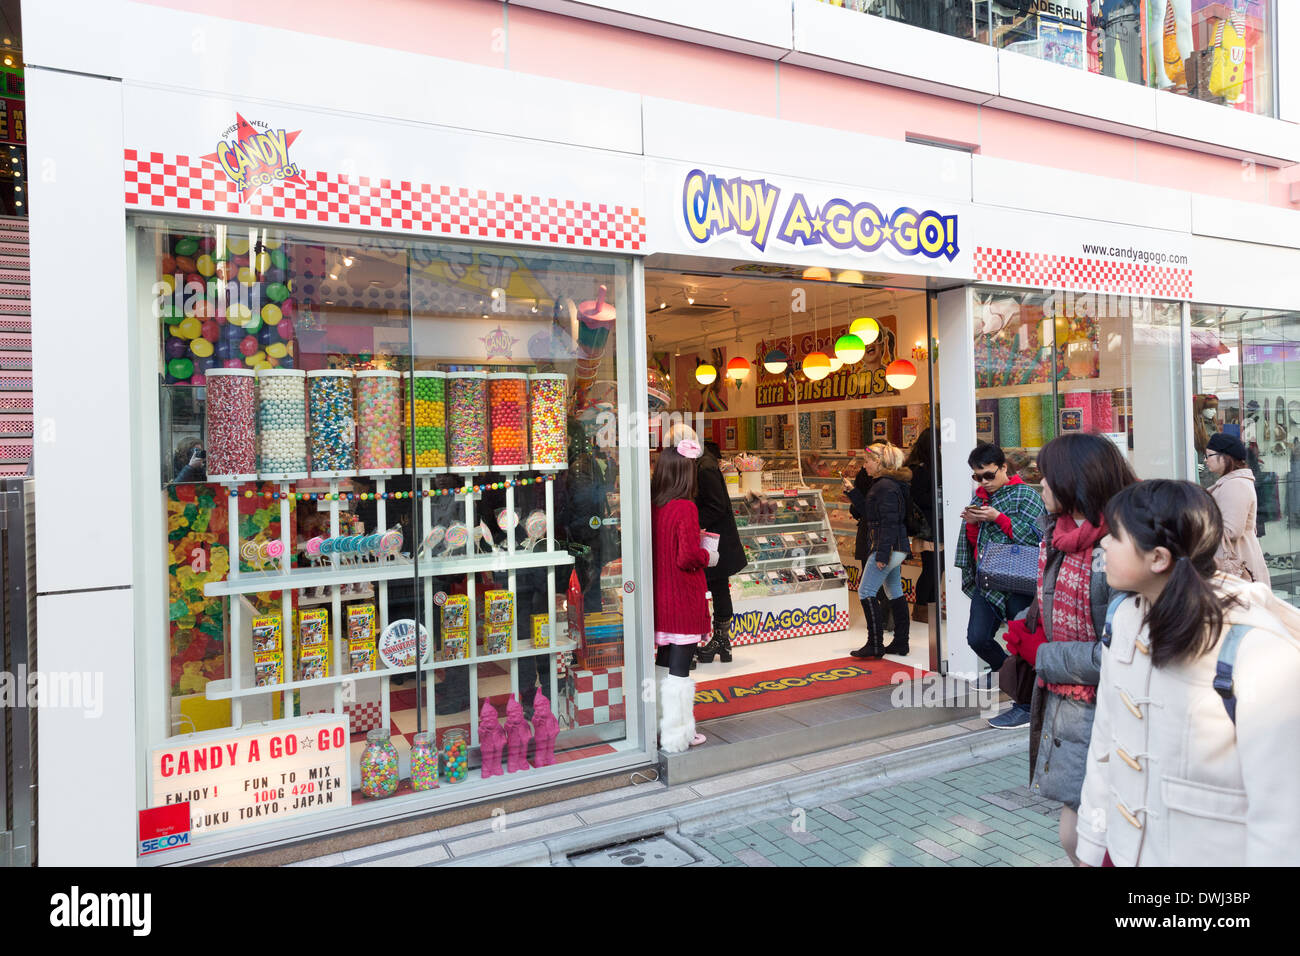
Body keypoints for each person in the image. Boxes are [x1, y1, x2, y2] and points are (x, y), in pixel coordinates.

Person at [1076, 480, 1300, 866]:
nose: (1103, 545)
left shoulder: (1256, 648)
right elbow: (1106, 745)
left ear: (1159, 558)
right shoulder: (1125, 620)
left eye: (1115, 535)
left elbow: (1282, 809)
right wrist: (1092, 845)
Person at [997, 434, 1137, 861]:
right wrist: (1026, 625)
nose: (1040, 486)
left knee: (1088, 838)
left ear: (1076, 482)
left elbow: (1121, 652)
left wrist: (1042, 655)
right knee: (1076, 835)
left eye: (1048, 477)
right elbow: (1049, 603)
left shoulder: (1119, 549)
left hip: (1110, 710)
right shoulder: (1056, 537)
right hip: (1065, 708)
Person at [952, 442, 1045, 681]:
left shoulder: (1026, 495)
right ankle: (1010, 674)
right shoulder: (979, 499)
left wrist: (998, 518)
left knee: (1023, 640)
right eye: (977, 476)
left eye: (988, 475)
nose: (983, 482)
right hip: (988, 578)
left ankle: (1024, 691)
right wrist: (973, 524)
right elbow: (974, 544)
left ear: (1004, 468)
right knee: (977, 638)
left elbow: (1038, 538)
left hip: (1019, 580)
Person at [652, 435, 717, 752]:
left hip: (660, 598)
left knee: (662, 663)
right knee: (680, 670)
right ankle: (677, 735)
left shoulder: (654, 506)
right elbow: (687, 557)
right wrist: (708, 555)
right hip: (683, 599)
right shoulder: (686, 508)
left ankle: (656, 727)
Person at [843, 442, 911, 660]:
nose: (864, 466)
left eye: (867, 461)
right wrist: (853, 493)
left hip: (887, 546)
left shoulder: (884, 487)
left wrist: (882, 555)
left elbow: (889, 523)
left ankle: (875, 643)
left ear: (879, 462)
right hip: (894, 546)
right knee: (894, 592)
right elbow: (870, 515)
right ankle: (901, 642)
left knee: (865, 591)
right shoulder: (885, 485)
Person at [694, 438, 746, 664]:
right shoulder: (704, 463)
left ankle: (719, 641)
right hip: (714, 539)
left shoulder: (704, 467)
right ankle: (721, 642)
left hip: (713, 540)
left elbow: (716, 506)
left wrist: (692, 522)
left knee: (715, 587)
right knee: (718, 588)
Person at [1204, 432, 1269, 587]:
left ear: (1225, 456)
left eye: (1209, 456)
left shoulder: (1235, 484)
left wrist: (1198, 525)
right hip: (1238, 557)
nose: (1205, 461)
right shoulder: (1232, 482)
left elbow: (1232, 530)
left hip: (1237, 560)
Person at [904, 426, 941, 630]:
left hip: (935, 524)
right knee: (932, 568)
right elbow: (918, 497)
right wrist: (940, 498)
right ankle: (920, 608)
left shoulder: (929, 466)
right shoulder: (921, 469)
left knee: (937, 568)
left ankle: (931, 606)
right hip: (928, 526)